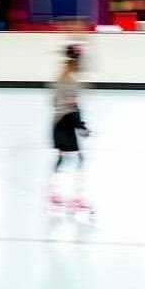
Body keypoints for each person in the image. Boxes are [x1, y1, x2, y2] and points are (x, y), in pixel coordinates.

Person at [49, 43, 93, 220]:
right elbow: (74, 107)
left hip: (57, 124)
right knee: (80, 159)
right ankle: (77, 198)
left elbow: (53, 102)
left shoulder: (60, 78)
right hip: (67, 123)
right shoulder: (72, 81)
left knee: (61, 158)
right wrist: (81, 126)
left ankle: (53, 193)